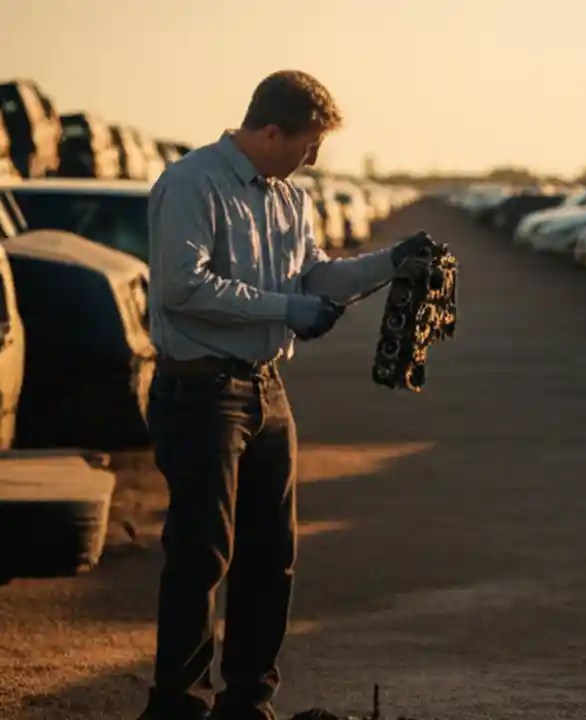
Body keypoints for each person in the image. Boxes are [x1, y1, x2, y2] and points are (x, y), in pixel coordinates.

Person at [137, 70, 429, 720]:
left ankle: (247, 704)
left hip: (266, 390)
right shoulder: (192, 183)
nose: (314, 159)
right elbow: (182, 287)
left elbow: (315, 275)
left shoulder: (289, 199)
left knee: (273, 556)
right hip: (198, 391)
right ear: (270, 131)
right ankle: (177, 708)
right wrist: (288, 309)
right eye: (310, 144)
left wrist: (391, 263)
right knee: (202, 553)